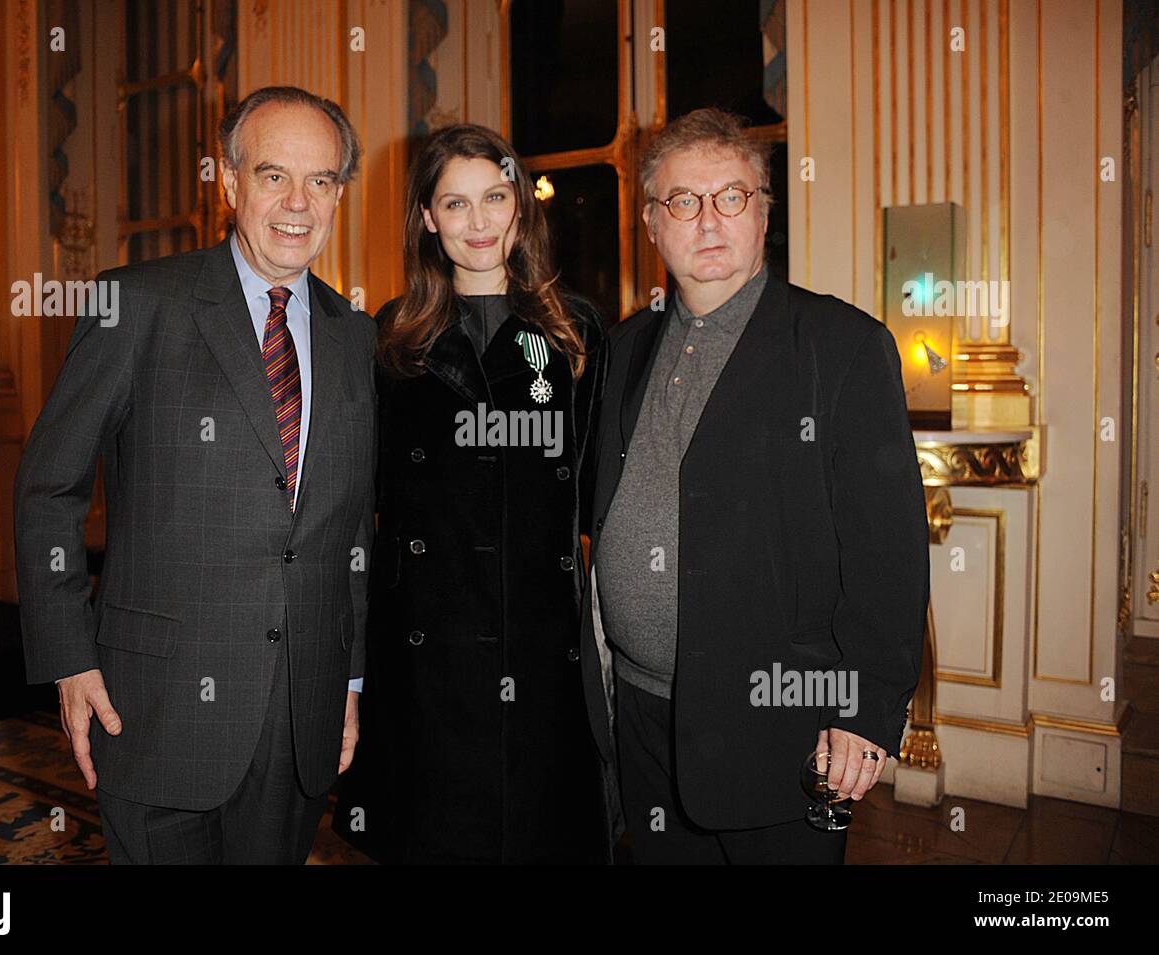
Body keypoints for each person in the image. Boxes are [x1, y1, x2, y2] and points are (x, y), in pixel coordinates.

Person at [14, 86, 376, 864]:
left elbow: (349, 532)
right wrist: (70, 655)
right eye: (274, 174)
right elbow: (49, 490)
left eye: (321, 181)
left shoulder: (356, 337)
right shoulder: (135, 303)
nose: (298, 203)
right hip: (156, 711)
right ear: (228, 180)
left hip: (299, 718)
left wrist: (347, 681)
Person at [579, 107, 929, 864]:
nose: (708, 220)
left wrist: (864, 712)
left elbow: (889, 554)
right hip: (641, 719)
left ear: (763, 211)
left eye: (731, 196)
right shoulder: (624, 347)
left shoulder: (840, 348)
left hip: (780, 725)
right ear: (651, 221)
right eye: (683, 200)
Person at [332, 123, 611, 864]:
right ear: (427, 217)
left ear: (519, 204)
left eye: (494, 197)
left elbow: (599, 496)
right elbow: (362, 511)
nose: (479, 222)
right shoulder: (391, 338)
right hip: (427, 658)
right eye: (456, 205)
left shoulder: (574, 333)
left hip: (542, 648)